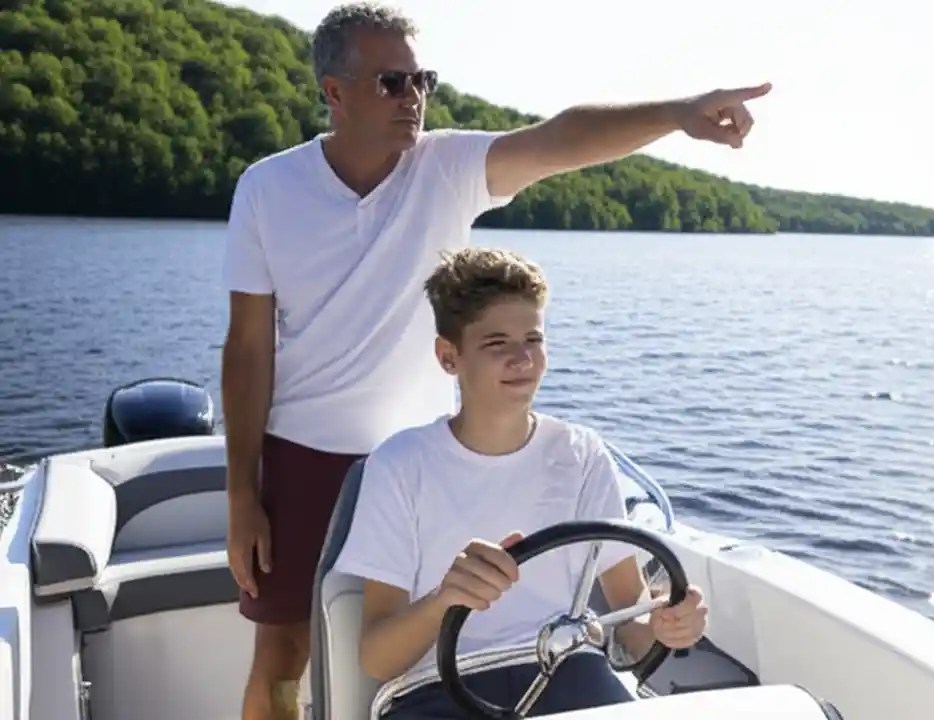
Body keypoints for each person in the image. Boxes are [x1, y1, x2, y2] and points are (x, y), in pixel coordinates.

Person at [220, 2, 766, 718]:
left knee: (442, 640)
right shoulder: (267, 188)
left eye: (424, 81)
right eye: (392, 82)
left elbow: (560, 138)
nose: (413, 98)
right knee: (284, 662)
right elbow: (249, 348)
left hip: (422, 465)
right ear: (335, 91)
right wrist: (240, 495)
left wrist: (680, 112)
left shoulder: (444, 168)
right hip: (301, 456)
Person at [333, 247, 709, 719]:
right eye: (497, 344)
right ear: (449, 357)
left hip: (572, 671)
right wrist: (445, 599)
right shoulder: (399, 465)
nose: (523, 359)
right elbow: (376, 656)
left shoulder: (583, 453)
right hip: (433, 690)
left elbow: (630, 618)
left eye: (533, 339)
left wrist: (666, 622)